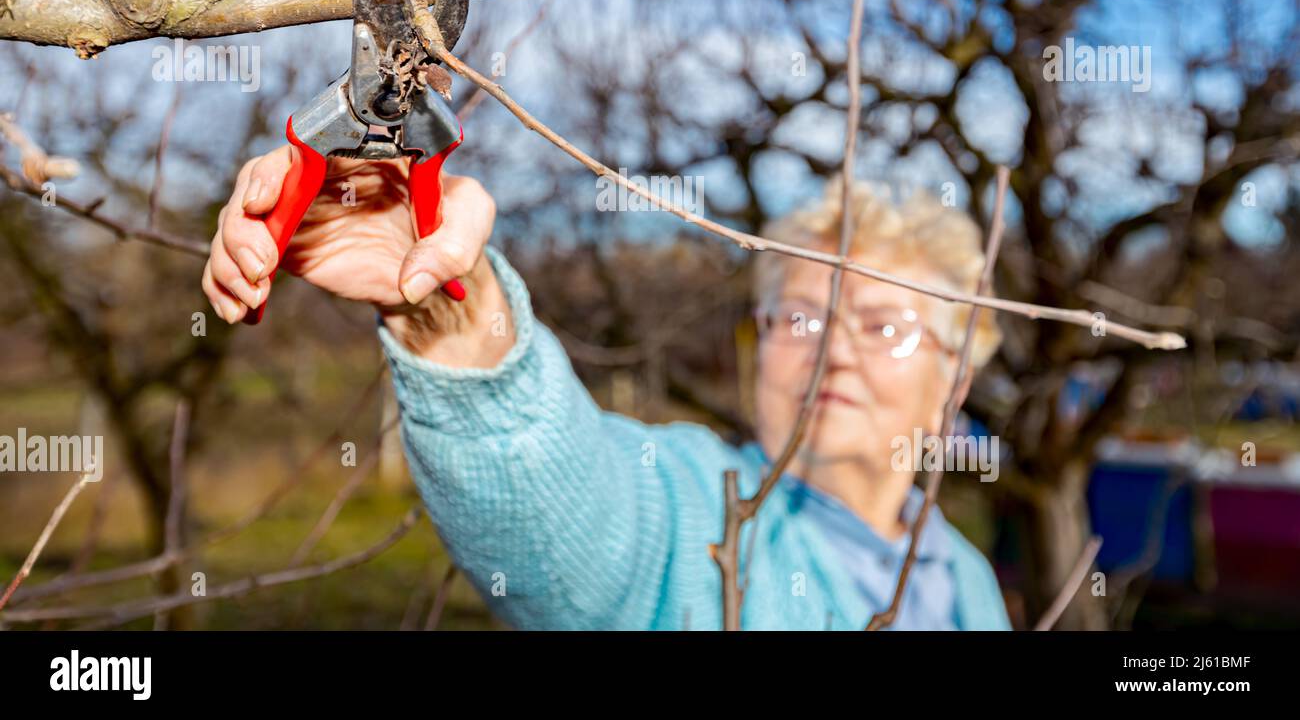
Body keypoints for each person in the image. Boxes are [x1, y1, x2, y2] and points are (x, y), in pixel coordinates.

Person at [203, 151, 1011, 630]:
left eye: (882, 325)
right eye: (799, 318)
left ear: (955, 380)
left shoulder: (967, 579)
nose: (834, 350)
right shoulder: (699, 508)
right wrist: (445, 313)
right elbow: (575, 534)